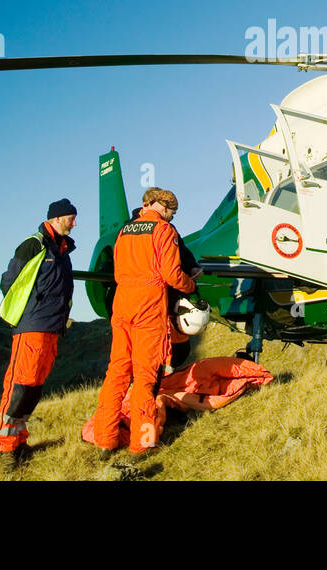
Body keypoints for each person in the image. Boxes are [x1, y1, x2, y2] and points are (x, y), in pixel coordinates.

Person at [91, 187, 199, 457]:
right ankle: (143, 444)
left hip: (122, 302)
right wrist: (190, 286)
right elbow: (172, 274)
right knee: (145, 377)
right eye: (172, 213)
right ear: (163, 208)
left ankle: (105, 440)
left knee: (117, 372)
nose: (172, 218)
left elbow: (117, 268)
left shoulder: (124, 231)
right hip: (148, 307)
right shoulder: (163, 231)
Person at [0, 198, 77, 471]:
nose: (74, 224)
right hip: (32, 326)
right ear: (55, 218)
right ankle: (4, 449)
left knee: (34, 387)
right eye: (70, 218)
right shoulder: (34, 244)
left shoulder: (63, 251)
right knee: (19, 384)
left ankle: (19, 440)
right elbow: (9, 279)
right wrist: (28, 308)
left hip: (52, 328)